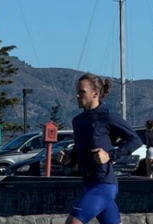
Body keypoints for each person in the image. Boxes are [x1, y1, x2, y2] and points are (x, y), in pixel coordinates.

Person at [60, 73, 141, 224]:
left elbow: (135, 140)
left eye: (82, 92)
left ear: (95, 94)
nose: (77, 95)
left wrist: (110, 155)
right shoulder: (77, 121)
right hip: (88, 183)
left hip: (104, 184)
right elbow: (79, 149)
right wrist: (70, 158)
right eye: (77, 91)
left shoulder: (107, 117)